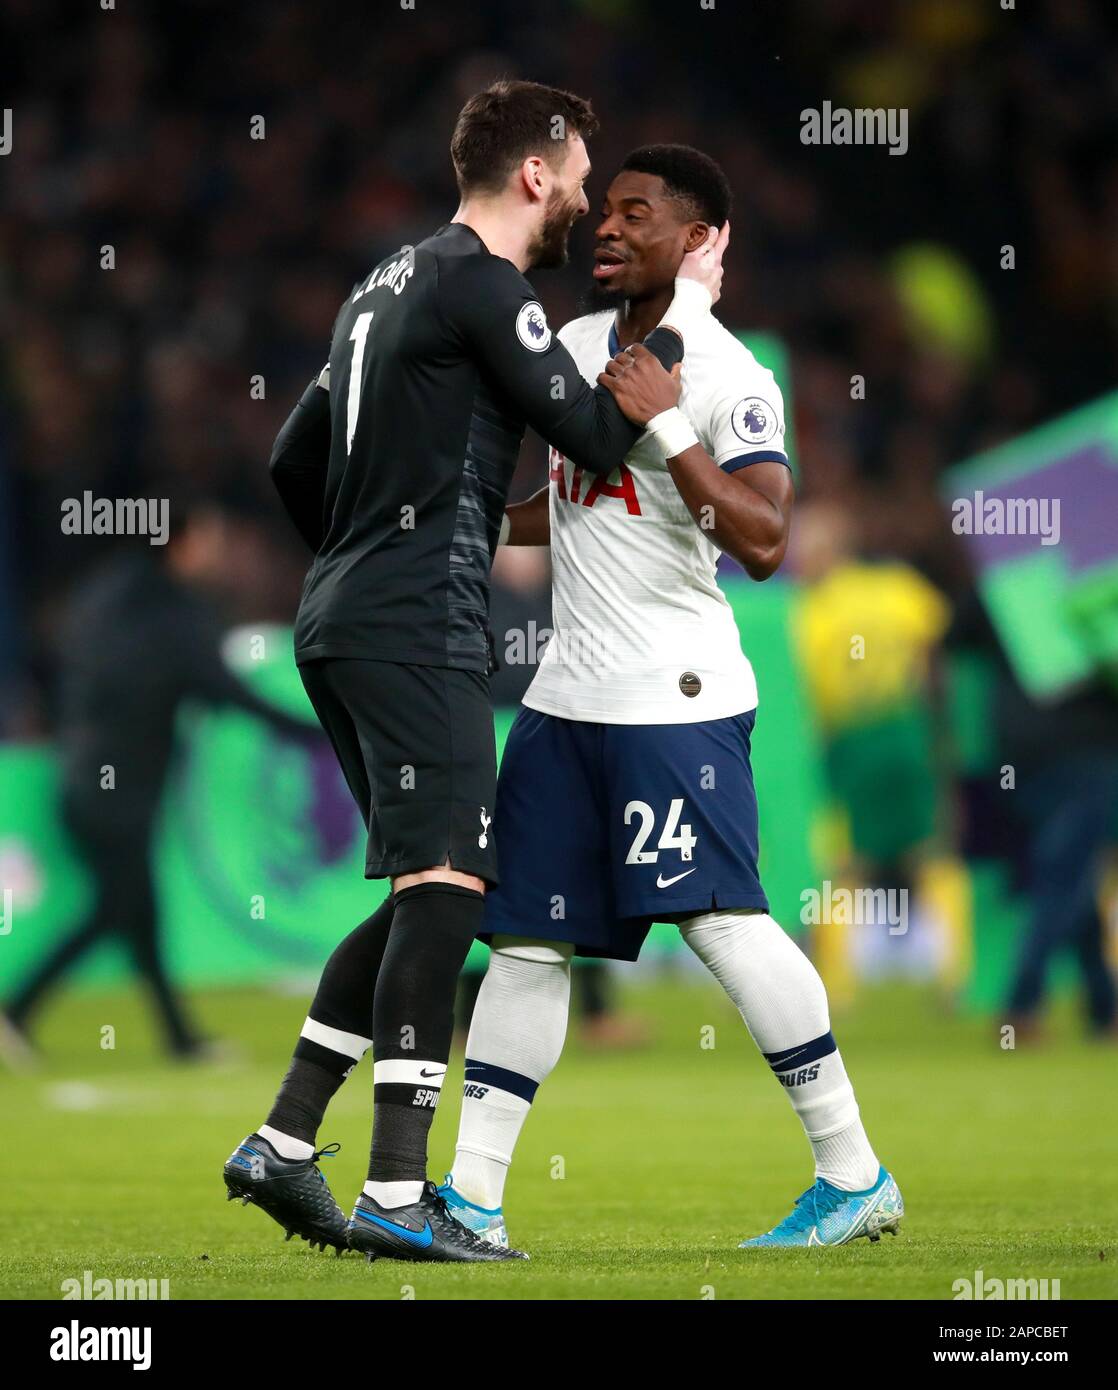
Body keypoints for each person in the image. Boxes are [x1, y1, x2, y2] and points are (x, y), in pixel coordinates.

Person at [224, 83, 724, 1263]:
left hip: (342, 616)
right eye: (585, 175)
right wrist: (684, 312)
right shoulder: (483, 287)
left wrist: (360, 552)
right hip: (412, 626)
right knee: (453, 891)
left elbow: (295, 455)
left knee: (421, 889)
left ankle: (286, 1144)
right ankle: (399, 1192)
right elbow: (599, 437)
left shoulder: (384, 282)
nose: (593, 202)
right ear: (536, 173)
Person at [431, 145, 903, 1250]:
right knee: (525, 945)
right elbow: (574, 498)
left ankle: (853, 1172)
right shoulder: (581, 344)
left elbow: (767, 537)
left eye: (634, 215)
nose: (604, 226)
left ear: (692, 243)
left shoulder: (730, 374)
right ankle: (473, 1198)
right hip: (563, 700)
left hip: (673, 700)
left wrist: (670, 423)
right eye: (604, 210)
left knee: (723, 923)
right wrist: (451, 522)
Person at [0, 500, 313, 1064]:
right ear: (182, 543)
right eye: (211, 539)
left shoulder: (103, 595)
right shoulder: (173, 614)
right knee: (117, 911)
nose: (218, 553)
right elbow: (225, 692)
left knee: (137, 917)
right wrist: (313, 733)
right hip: (117, 795)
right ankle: (17, 1010)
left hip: (82, 782)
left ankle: (178, 1039)